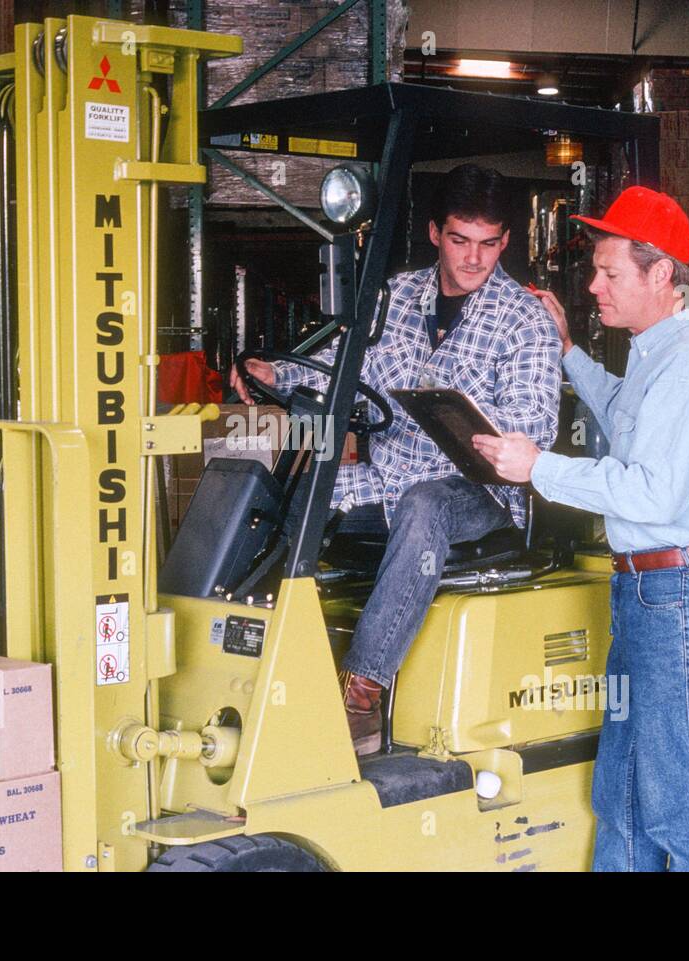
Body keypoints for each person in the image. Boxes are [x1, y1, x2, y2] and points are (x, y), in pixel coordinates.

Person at [229, 163, 561, 756]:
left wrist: (472, 426)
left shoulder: (524, 320)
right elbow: (337, 365)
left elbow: (535, 429)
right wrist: (275, 371)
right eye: (461, 240)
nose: (474, 259)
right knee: (302, 491)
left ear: (505, 242)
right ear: (436, 233)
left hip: (476, 495)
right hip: (385, 480)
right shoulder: (395, 298)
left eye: (488, 245)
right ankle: (266, 657)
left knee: (424, 503)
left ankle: (363, 694)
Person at [472, 186, 689, 872]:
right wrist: (567, 351)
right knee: (622, 801)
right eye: (595, 271)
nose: (594, 286)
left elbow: (653, 490)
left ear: (662, 275)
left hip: (681, 596)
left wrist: (538, 466)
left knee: (680, 808)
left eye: (610, 273)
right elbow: (622, 410)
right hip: (648, 597)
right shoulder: (655, 354)